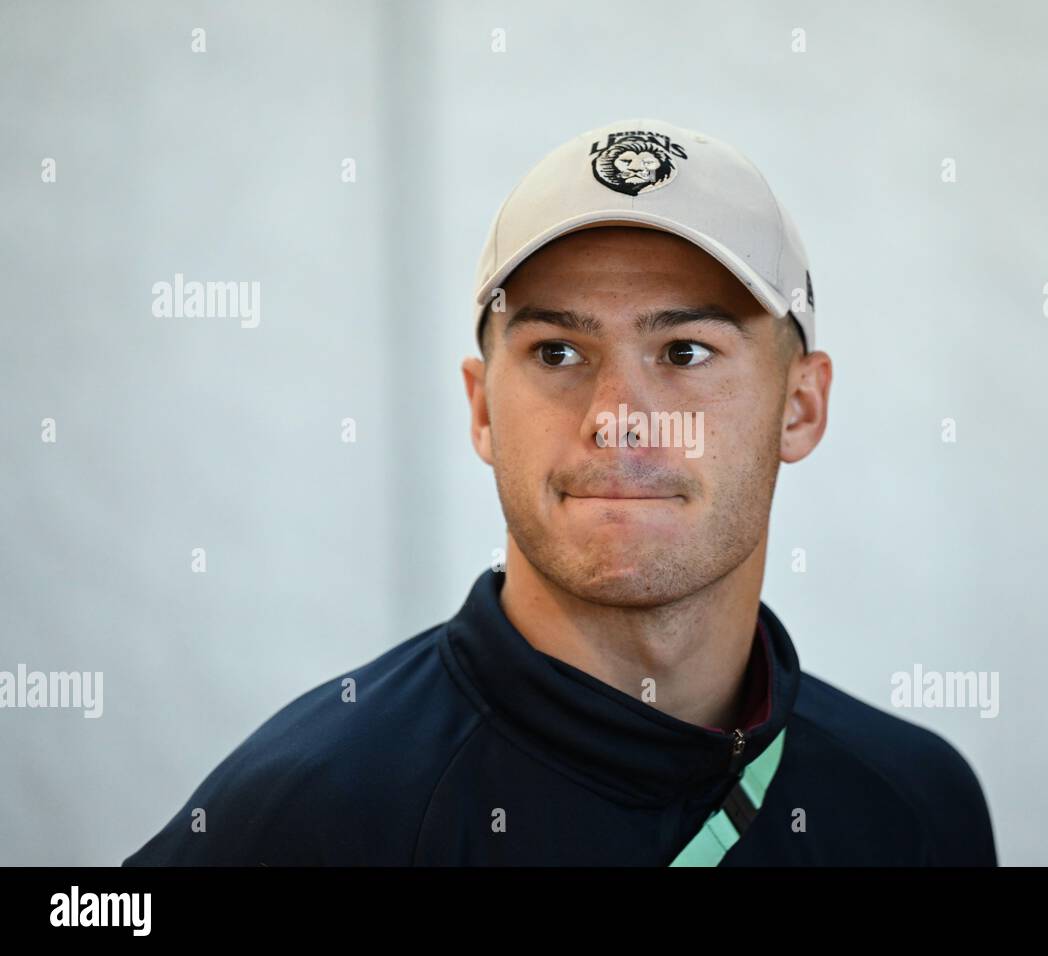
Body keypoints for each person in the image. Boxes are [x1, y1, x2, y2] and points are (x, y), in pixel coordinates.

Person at [122, 118, 997, 866]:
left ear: (800, 407)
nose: (617, 419)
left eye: (685, 352)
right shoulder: (305, 818)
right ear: (482, 410)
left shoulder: (913, 805)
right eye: (556, 353)